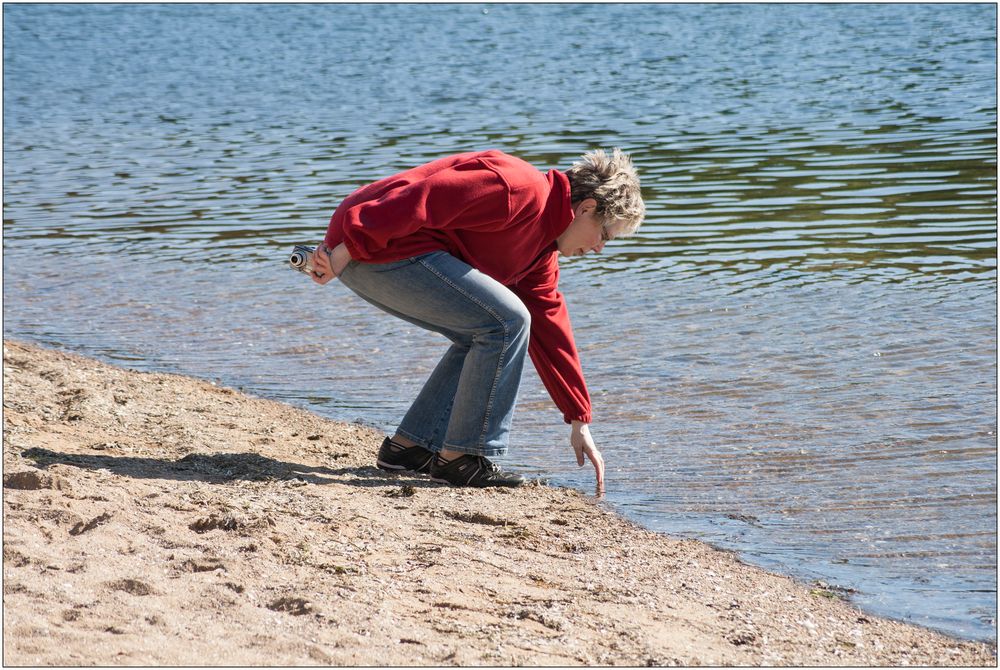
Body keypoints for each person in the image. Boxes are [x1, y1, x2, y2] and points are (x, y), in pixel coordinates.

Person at [310, 149, 644, 491]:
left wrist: (578, 418)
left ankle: (412, 447)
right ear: (586, 208)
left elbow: (550, 327)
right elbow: (423, 197)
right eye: (605, 234)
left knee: (486, 330)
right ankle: (463, 458)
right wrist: (346, 250)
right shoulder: (519, 188)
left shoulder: (541, 252)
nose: (601, 247)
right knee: (505, 322)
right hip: (372, 244)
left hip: (368, 248)